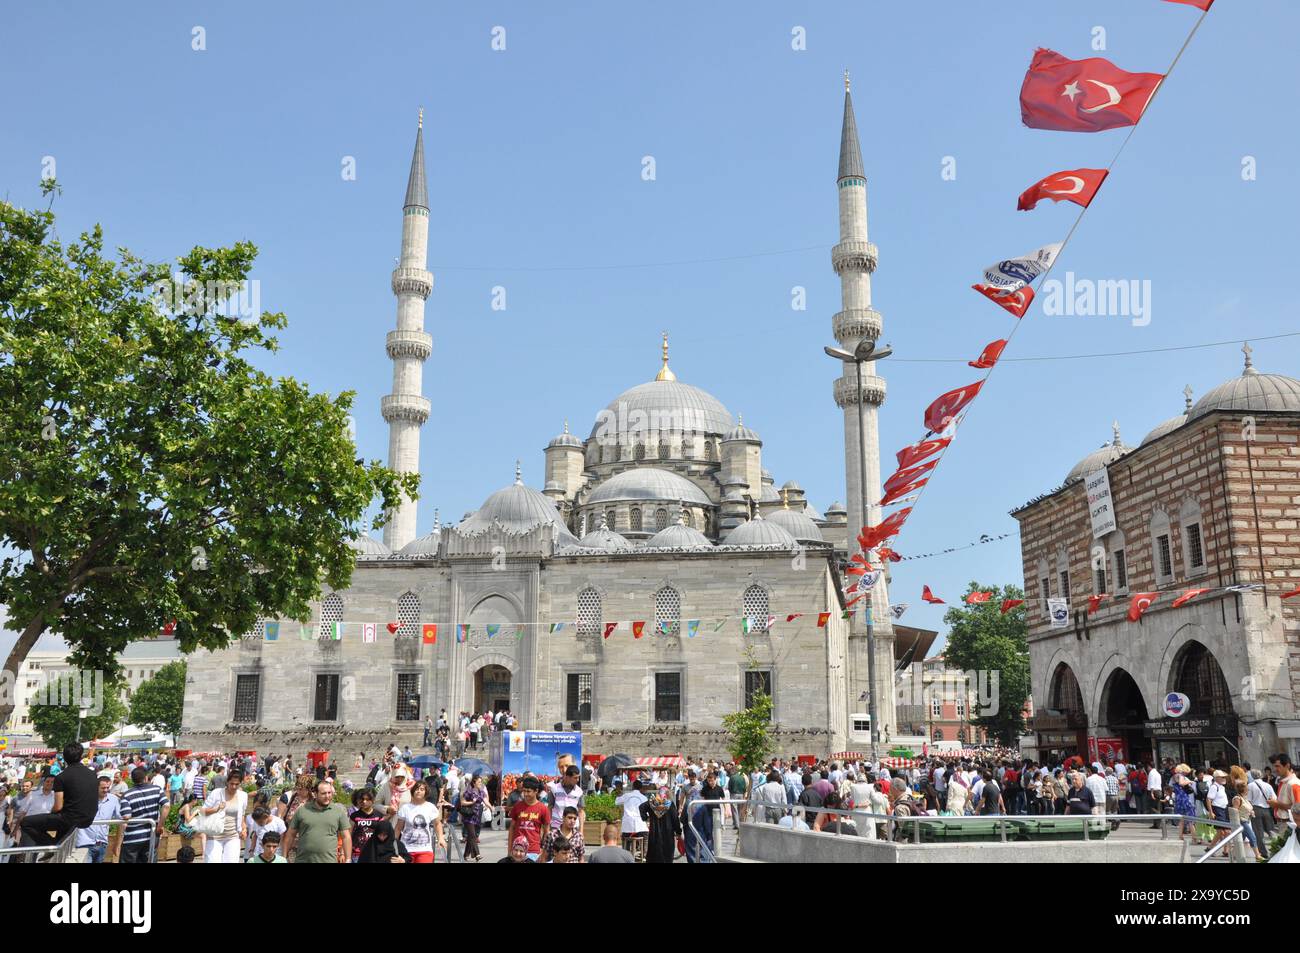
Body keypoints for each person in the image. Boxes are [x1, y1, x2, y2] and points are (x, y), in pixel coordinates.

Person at [18, 743, 98, 853]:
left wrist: (51, 813)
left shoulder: (62, 777)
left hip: (71, 819)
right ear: (81, 756)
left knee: (26, 822)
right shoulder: (92, 774)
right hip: (89, 818)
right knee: (59, 822)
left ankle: (52, 846)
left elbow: (58, 806)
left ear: (64, 758)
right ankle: (56, 845)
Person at [283, 777, 351, 863]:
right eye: (323, 793)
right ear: (315, 793)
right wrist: (284, 857)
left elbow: (346, 837)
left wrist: (348, 859)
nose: (327, 796)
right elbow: (290, 835)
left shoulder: (338, 811)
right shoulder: (302, 810)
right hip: (303, 860)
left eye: (329, 793)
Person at [118, 766, 166, 863]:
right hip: (151, 835)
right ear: (146, 778)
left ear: (132, 780)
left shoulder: (127, 795)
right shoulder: (157, 790)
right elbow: (167, 806)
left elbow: (126, 816)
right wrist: (160, 826)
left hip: (132, 838)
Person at [74, 773, 122, 864]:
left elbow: (120, 819)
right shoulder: (85, 798)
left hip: (101, 843)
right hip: (84, 843)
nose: (106, 790)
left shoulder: (113, 799)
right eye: (103, 788)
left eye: (108, 788)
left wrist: (117, 843)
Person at [392, 778, 442, 863]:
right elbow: (398, 828)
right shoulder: (405, 808)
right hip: (406, 849)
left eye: (422, 789)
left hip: (425, 850)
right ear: (412, 791)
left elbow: (437, 824)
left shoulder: (430, 807)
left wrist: (441, 838)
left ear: (426, 792)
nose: (418, 791)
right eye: (416, 789)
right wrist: (393, 843)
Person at [509, 776, 551, 861]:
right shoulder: (517, 806)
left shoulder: (543, 808)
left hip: (534, 851)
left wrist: (543, 850)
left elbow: (547, 831)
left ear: (536, 791)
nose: (525, 794)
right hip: (518, 850)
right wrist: (510, 849)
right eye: (524, 791)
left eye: (528, 791)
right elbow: (512, 828)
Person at [348, 788, 384, 863]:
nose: (364, 802)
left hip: (374, 853)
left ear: (373, 800)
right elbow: (348, 835)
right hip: (357, 854)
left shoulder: (379, 815)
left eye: (368, 799)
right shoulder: (354, 816)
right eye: (362, 799)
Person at [458, 774, 486, 861]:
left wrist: (490, 807)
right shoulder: (468, 791)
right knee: (473, 835)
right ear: (474, 783)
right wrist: (472, 802)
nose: (480, 783)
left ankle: (465, 855)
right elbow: (462, 802)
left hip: (476, 816)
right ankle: (477, 854)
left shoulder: (481, 791)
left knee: (470, 836)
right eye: (479, 782)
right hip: (468, 816)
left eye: (481, 782)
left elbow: (485, 800)